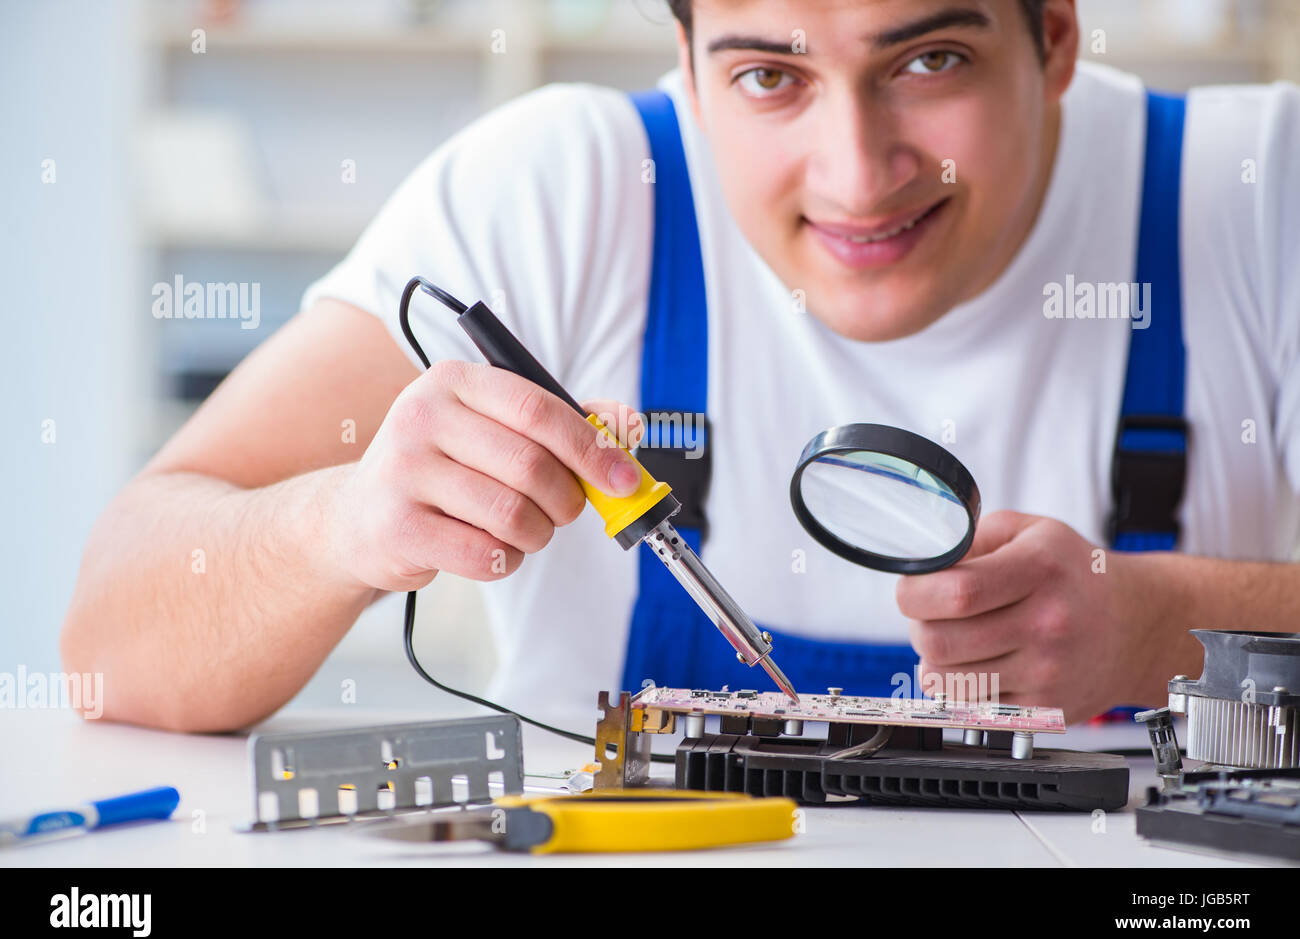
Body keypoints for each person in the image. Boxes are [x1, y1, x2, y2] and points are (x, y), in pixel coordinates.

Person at [62, 0, 1300, 734]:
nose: (855, 173)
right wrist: (341, 523)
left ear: (1056, 35)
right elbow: (108, 638)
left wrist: (1173, 630)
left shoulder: (1250, 198)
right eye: (769, 76)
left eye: (929, 61)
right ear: (690, 61)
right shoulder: (564, 191)